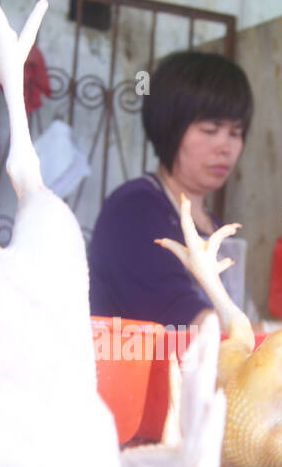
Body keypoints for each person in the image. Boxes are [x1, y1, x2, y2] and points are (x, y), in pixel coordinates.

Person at [88, 51, 253, 327]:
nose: (225, 147)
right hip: (139, 367)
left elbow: (240, 319)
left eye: (235, 133)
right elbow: (183, 319)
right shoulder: (133, 210)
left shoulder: (215, 228)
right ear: (170, 128)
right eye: (210, 130)